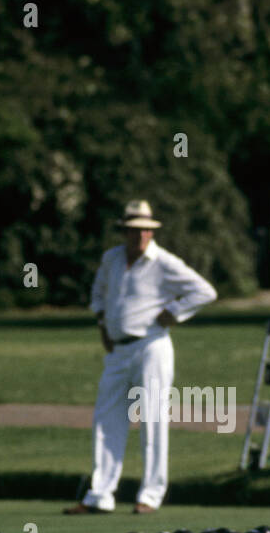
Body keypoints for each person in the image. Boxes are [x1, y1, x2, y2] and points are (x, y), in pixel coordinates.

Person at [64, 200, 217, 515]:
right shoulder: (112, 259)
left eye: (147, 229)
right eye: (135, 230)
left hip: (151, 346)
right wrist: (103, 324)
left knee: (152, 418)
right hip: (118, 350)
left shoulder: (164, 262)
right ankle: (100, 495)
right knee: (106, 419)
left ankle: (150, 494)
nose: (142, 235)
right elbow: (98, 294)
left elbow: (204, 291)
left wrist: (173, 312)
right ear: (124, 231)